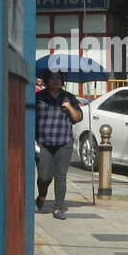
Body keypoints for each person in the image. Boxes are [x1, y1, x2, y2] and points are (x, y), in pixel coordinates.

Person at [34, 69, 83, 219]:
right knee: (44, 177)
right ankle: (42, 195)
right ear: (46, 80)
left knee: (60, 177)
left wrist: (69, 107)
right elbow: (30, 118)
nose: (56, 80)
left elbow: (77, 118)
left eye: (58, 78)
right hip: (43, 143)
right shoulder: (38, 97)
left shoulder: (69, 97)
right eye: (52, 78)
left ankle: (58, 208)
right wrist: (33, 138)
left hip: (64, 143)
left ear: (62, 80)